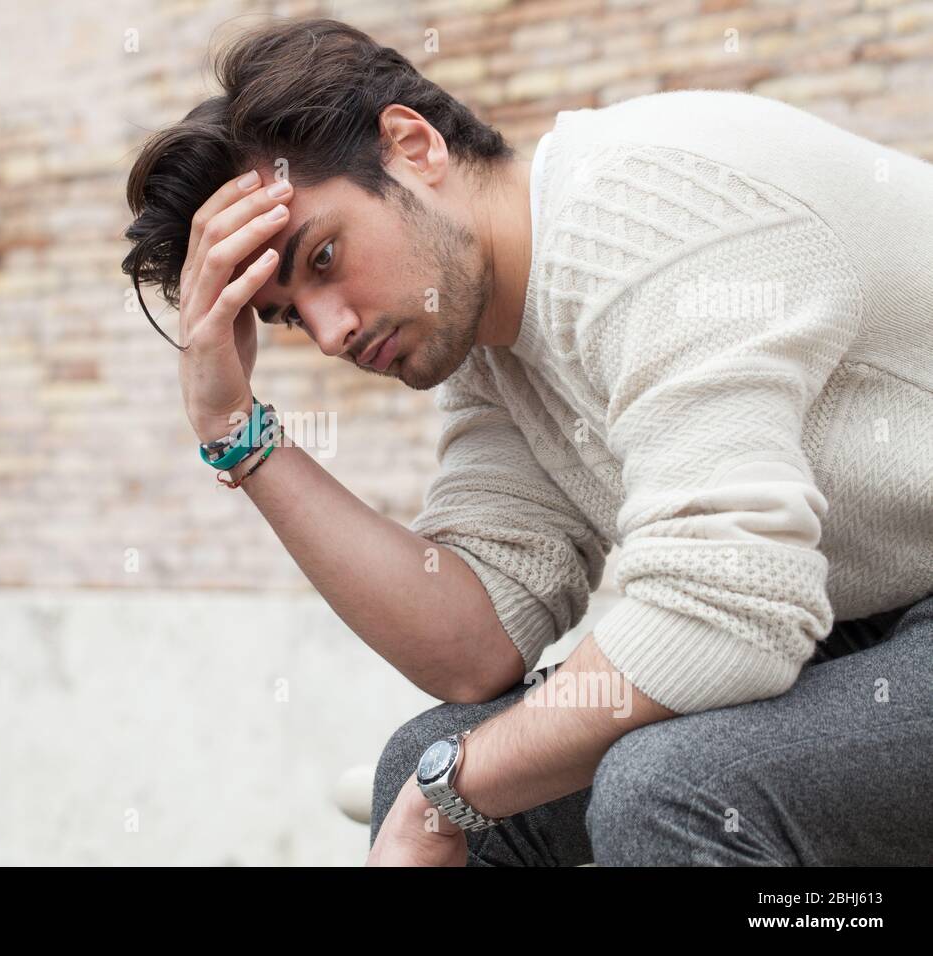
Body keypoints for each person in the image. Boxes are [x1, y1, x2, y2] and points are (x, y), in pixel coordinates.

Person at [121, 17, 933, 865]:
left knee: (664, 788)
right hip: (865, 625)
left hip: (874, 618)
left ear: (411, 146)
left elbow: (731, 606)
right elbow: (472, 646)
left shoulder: (641, 210)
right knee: (425, 761)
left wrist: (445, 801)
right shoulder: (495, 349)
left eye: (323, 256)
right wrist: (235, 431)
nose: (330, 335)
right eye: (289, 315)